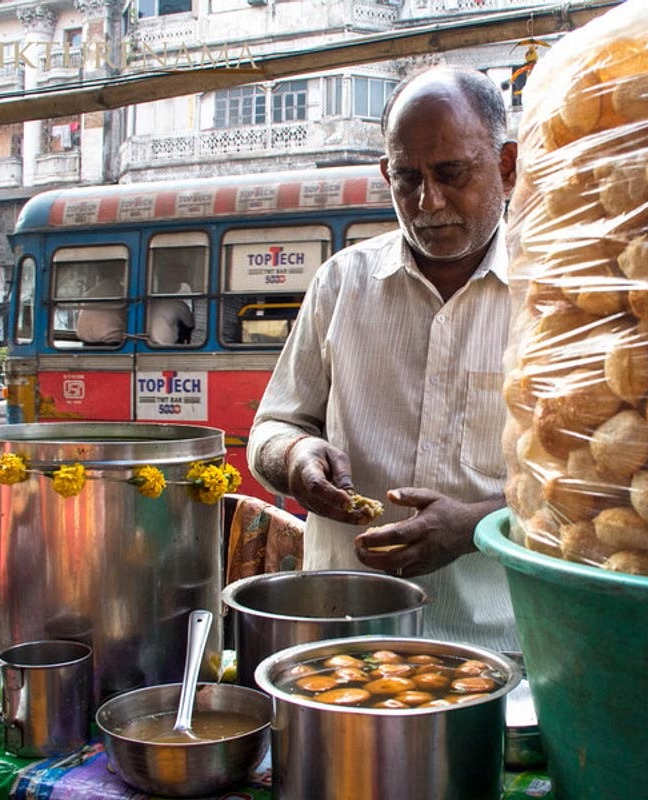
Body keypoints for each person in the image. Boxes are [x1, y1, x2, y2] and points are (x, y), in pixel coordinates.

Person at [247, 65, 519, 651]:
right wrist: (295, 458)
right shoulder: (341, 283)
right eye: (406, 178)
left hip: (502, 649)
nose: (428, 201)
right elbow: (273, 425)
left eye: (451, 173)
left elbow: (590, 486)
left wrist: (476, 526)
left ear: (507, 167)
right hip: (342, 633)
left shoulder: (555, 295)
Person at [147, 262, 195, 345]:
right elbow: (190, 325)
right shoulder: (179, 306)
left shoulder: (149, 303)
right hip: (166, 347)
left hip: (148, 344)